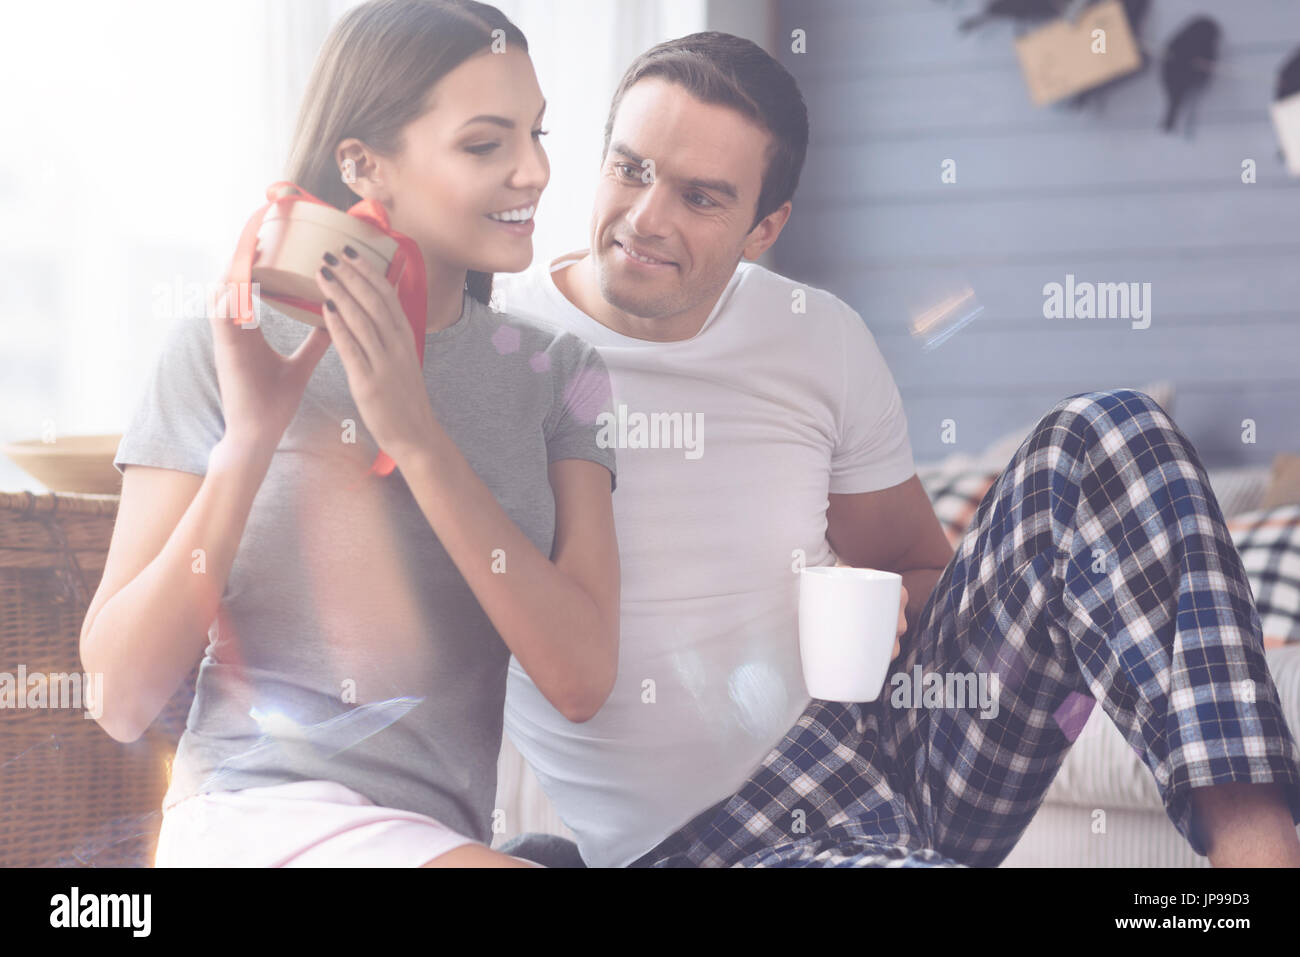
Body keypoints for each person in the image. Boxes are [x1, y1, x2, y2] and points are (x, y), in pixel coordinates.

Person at [494, 31, 1300, 868]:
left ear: (764, 228)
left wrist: (886, 609)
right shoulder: (503, 356)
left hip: (895, 745)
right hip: (711, 844)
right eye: (631, 169)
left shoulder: (815, 337)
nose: (645, 219)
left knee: (1109, 437)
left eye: (700, 198)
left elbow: (919, 569)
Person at [79, 0, 618, 868]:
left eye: (539, 134)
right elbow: (118, 697)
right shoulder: (222, 349)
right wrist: (250, 438)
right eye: (487, 144)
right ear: (365, 165)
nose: (535, 172)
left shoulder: (561, 376)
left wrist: (419, 439)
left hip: (440, 842)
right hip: (252, 818)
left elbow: (582, 677)